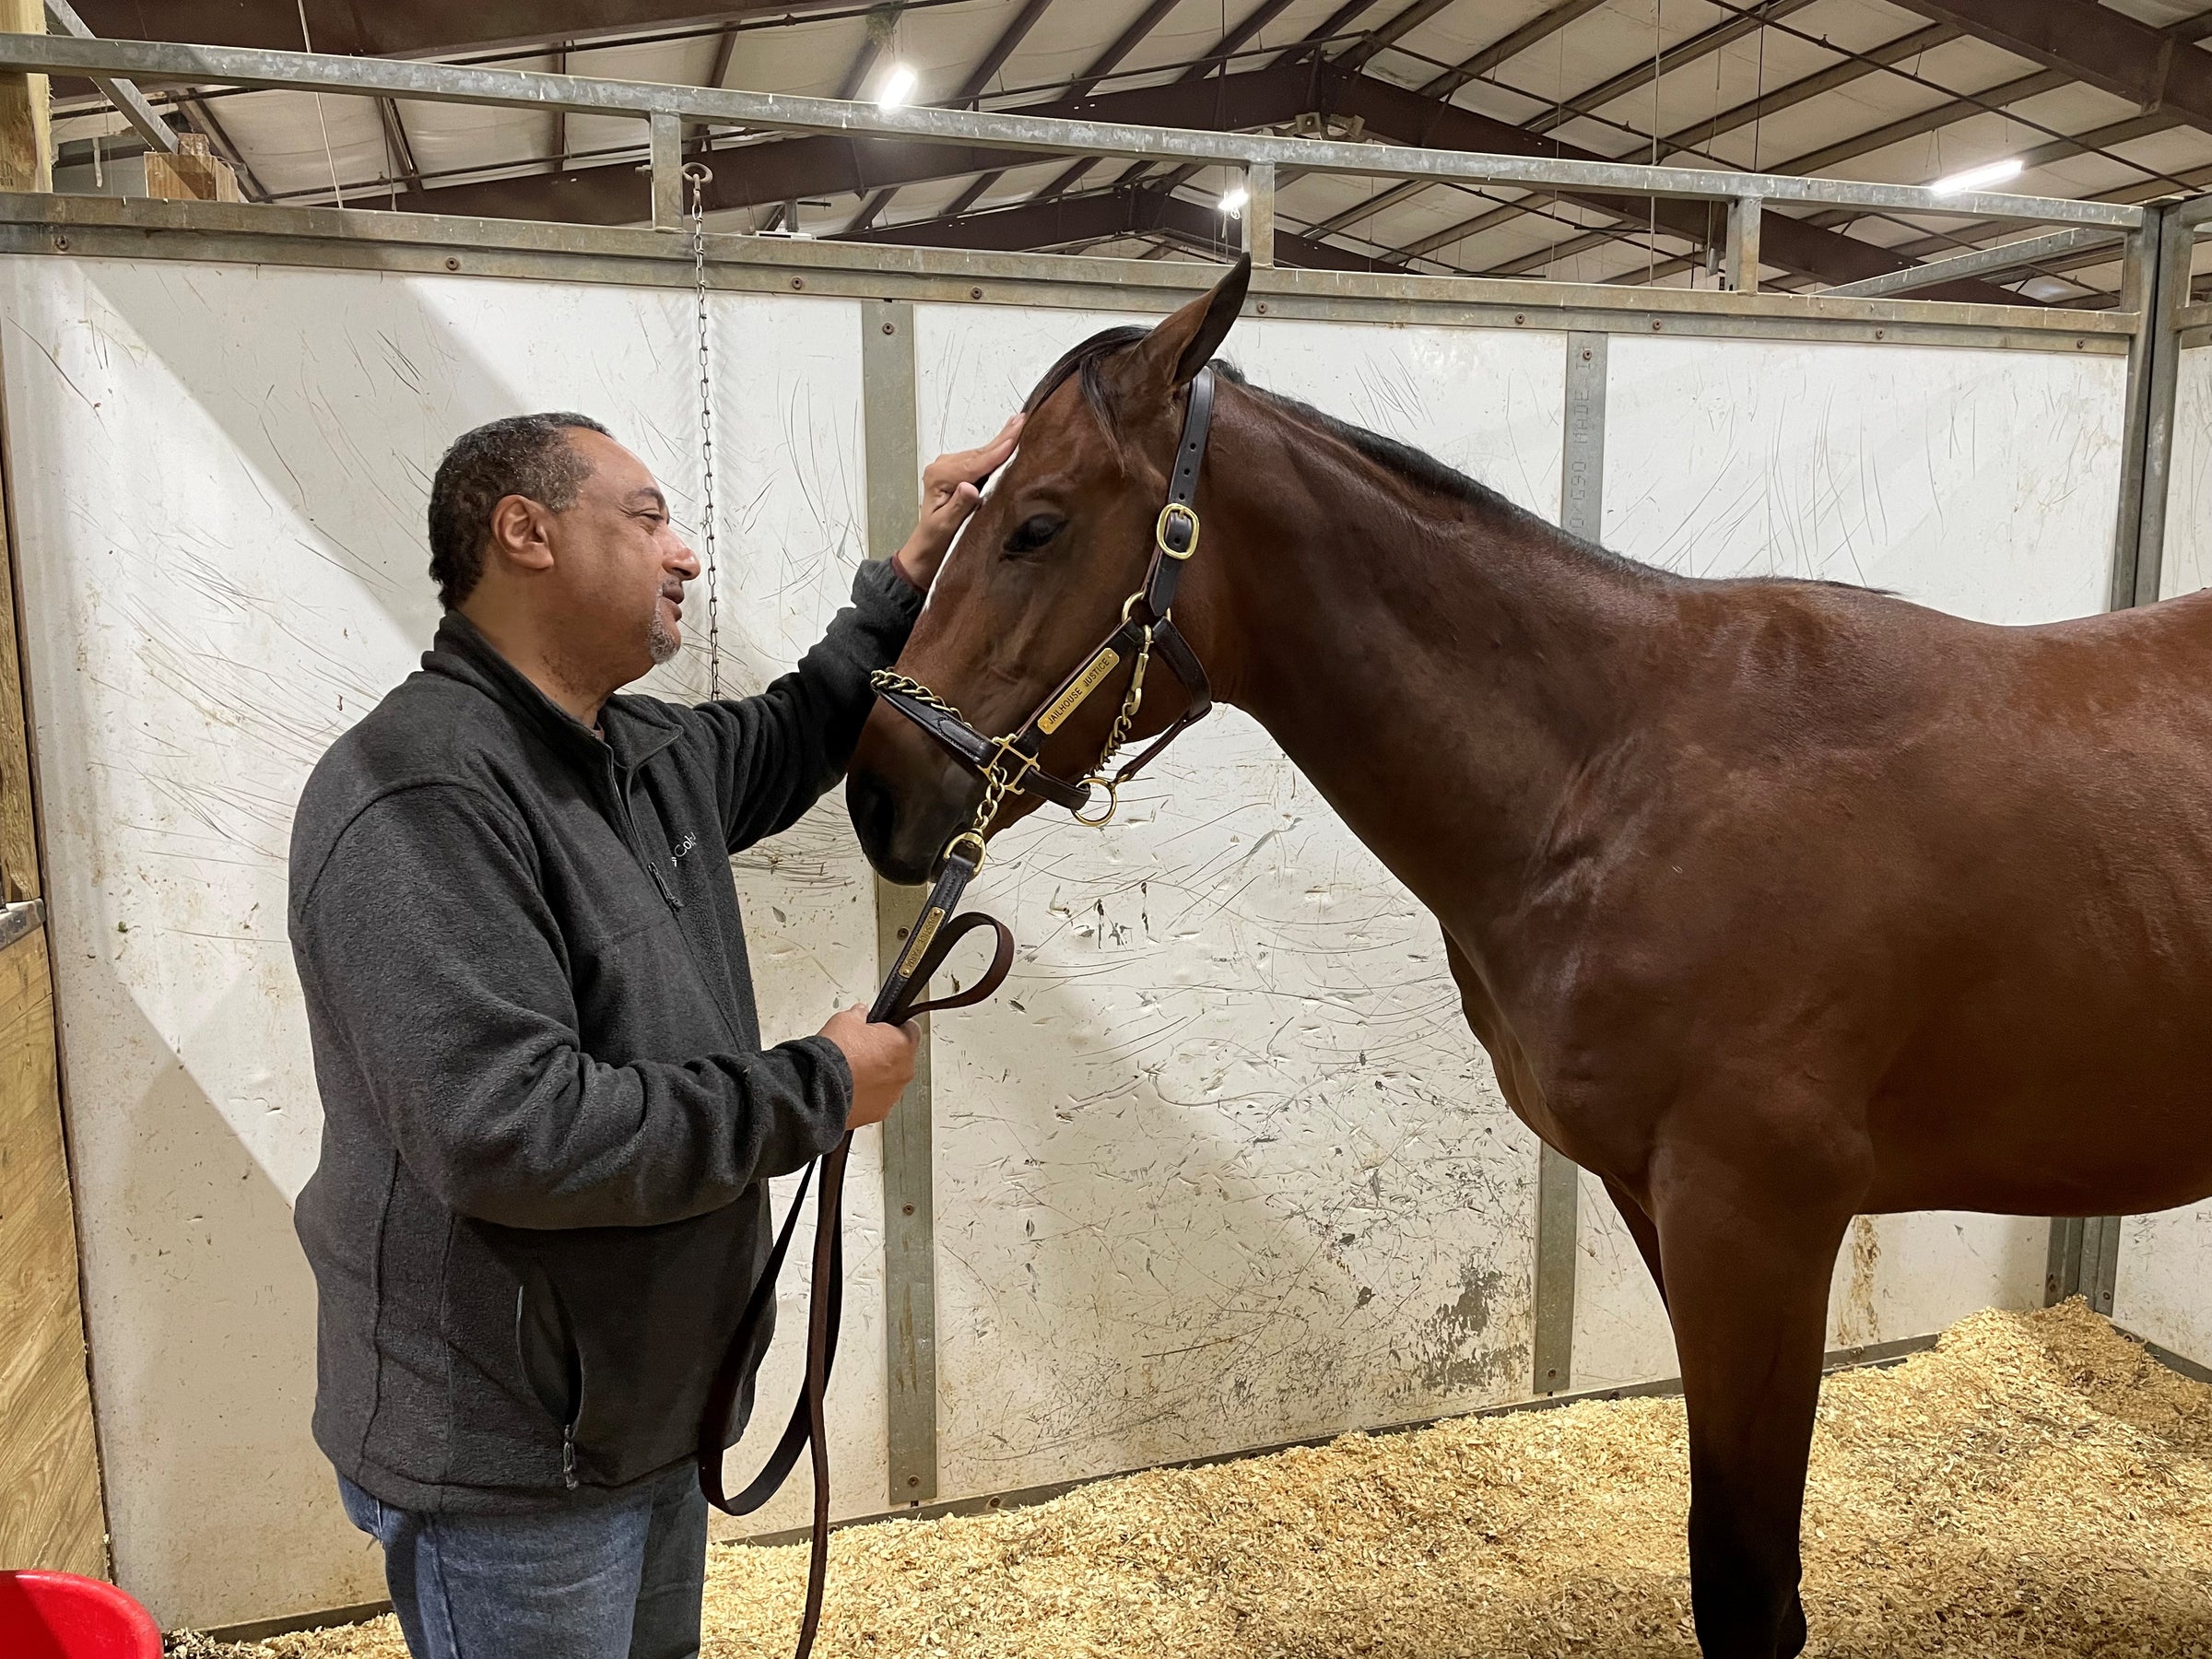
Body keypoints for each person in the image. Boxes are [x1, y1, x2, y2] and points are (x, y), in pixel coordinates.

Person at [286, 406, 1018, 1659]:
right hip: (517, 1462)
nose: (683, 553)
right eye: (646, 517)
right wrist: (816, 1088)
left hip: (645, 1411)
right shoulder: (420, 794)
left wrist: (915, 570)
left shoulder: (637, 752)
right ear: (524, 532)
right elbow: (507, 1133)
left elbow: (802, 728)